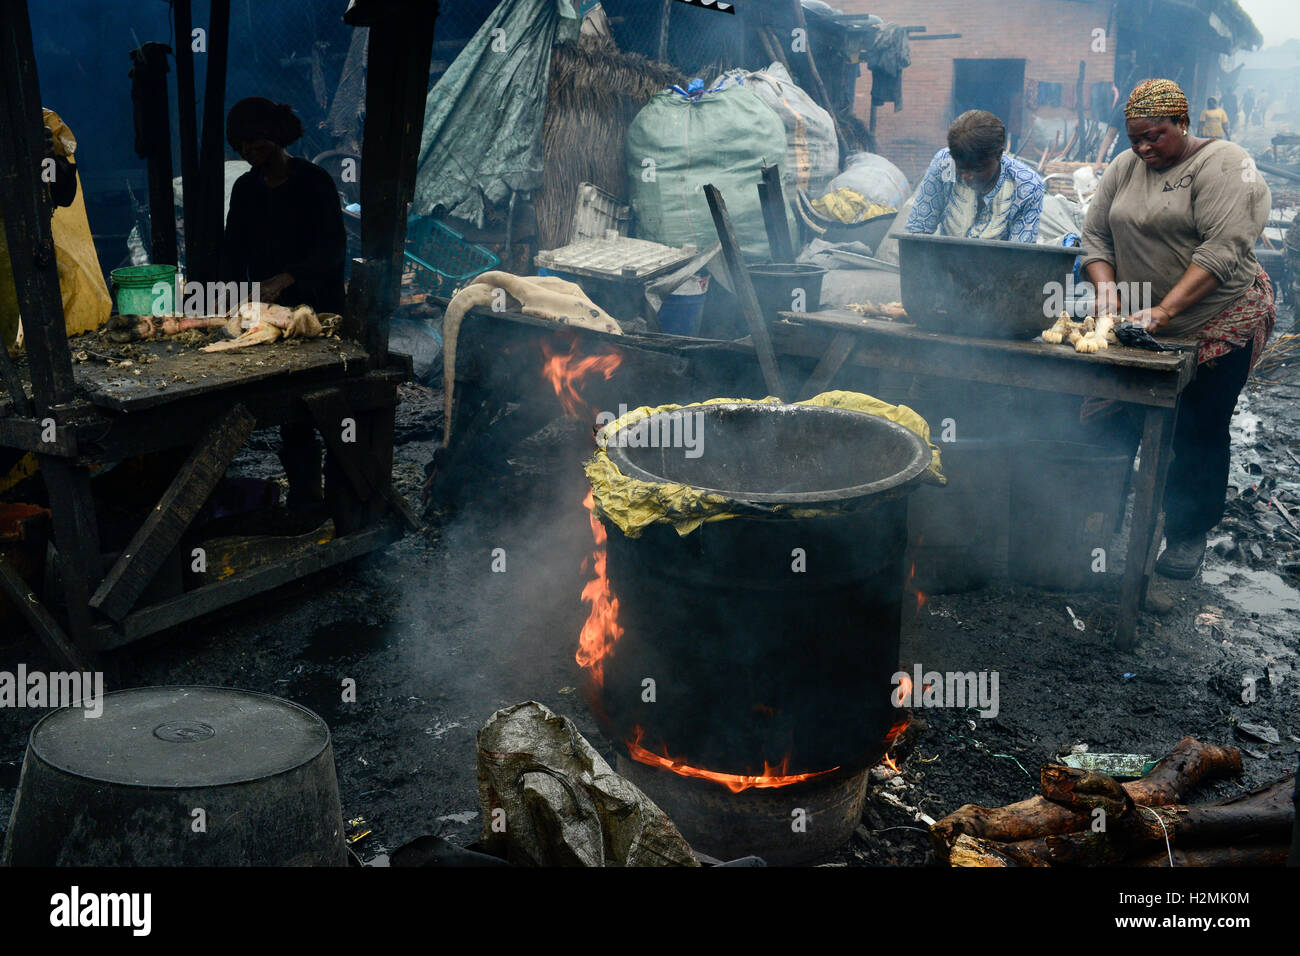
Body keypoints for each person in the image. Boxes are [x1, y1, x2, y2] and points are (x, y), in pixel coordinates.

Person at [1081, 78, 1273, 579]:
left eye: (1155, 135)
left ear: (1182, 123)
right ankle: (1100, 521)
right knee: (1111, 419)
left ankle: (1186, 535)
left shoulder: (1223, 164)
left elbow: (1221, 252)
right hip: (1139, 321)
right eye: (1135, 138)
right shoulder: (1126, 168)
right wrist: (1107, 291)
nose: (1144, 148)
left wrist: (1164, 312)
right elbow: (1096, 237)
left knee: (1197, 432)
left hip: (1215, 320)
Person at [221, 97, 347, 510]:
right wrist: (231, 296)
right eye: (241, 147)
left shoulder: (314, 182)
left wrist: (287, 277)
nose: (248, 153)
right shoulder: (245, 189)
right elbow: (234, 250)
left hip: (318, 309)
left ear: (275, 138)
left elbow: (332, 253)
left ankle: (344, 496)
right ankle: (306, 500)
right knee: (294, 414)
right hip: (269, 316)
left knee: (328, 406)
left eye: (255, 144)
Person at [905, 110, 1044, 242]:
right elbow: (918, 231)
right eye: (961, 168)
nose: (966, 177)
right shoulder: (944, 164)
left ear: (999, 155)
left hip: (1002, 265)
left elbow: (1020, 255)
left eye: (977, 170)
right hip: (944, 262)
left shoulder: (1028, 186)